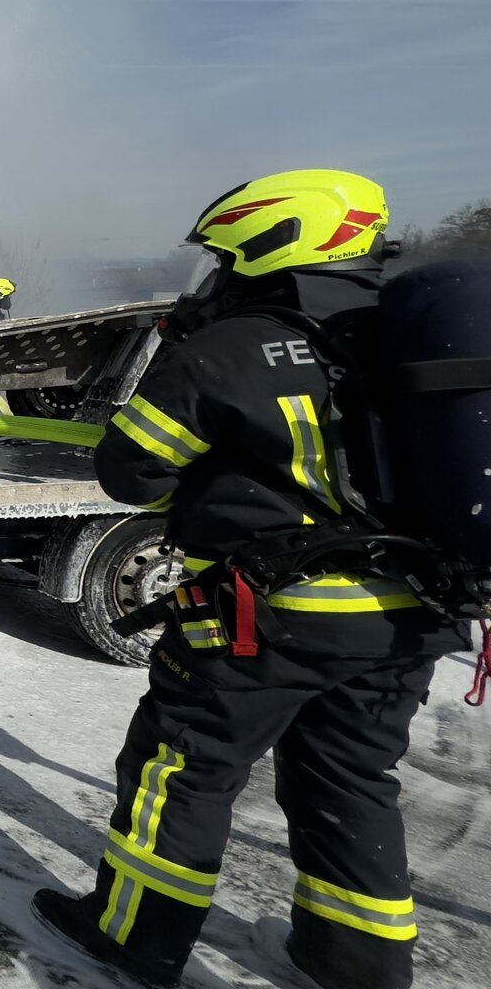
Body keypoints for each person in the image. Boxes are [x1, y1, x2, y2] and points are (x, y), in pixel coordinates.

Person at [32, 170, 470, 989]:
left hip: (268, 618)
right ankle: (358, 962)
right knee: (350, 779)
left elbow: (131, 475)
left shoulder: (233, 349)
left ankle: (134, 936)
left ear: (270, 247)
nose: (217, 279)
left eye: (226, 261)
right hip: (412, 612)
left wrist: (180, 354)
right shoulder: (414, 336)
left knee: (182, 768)